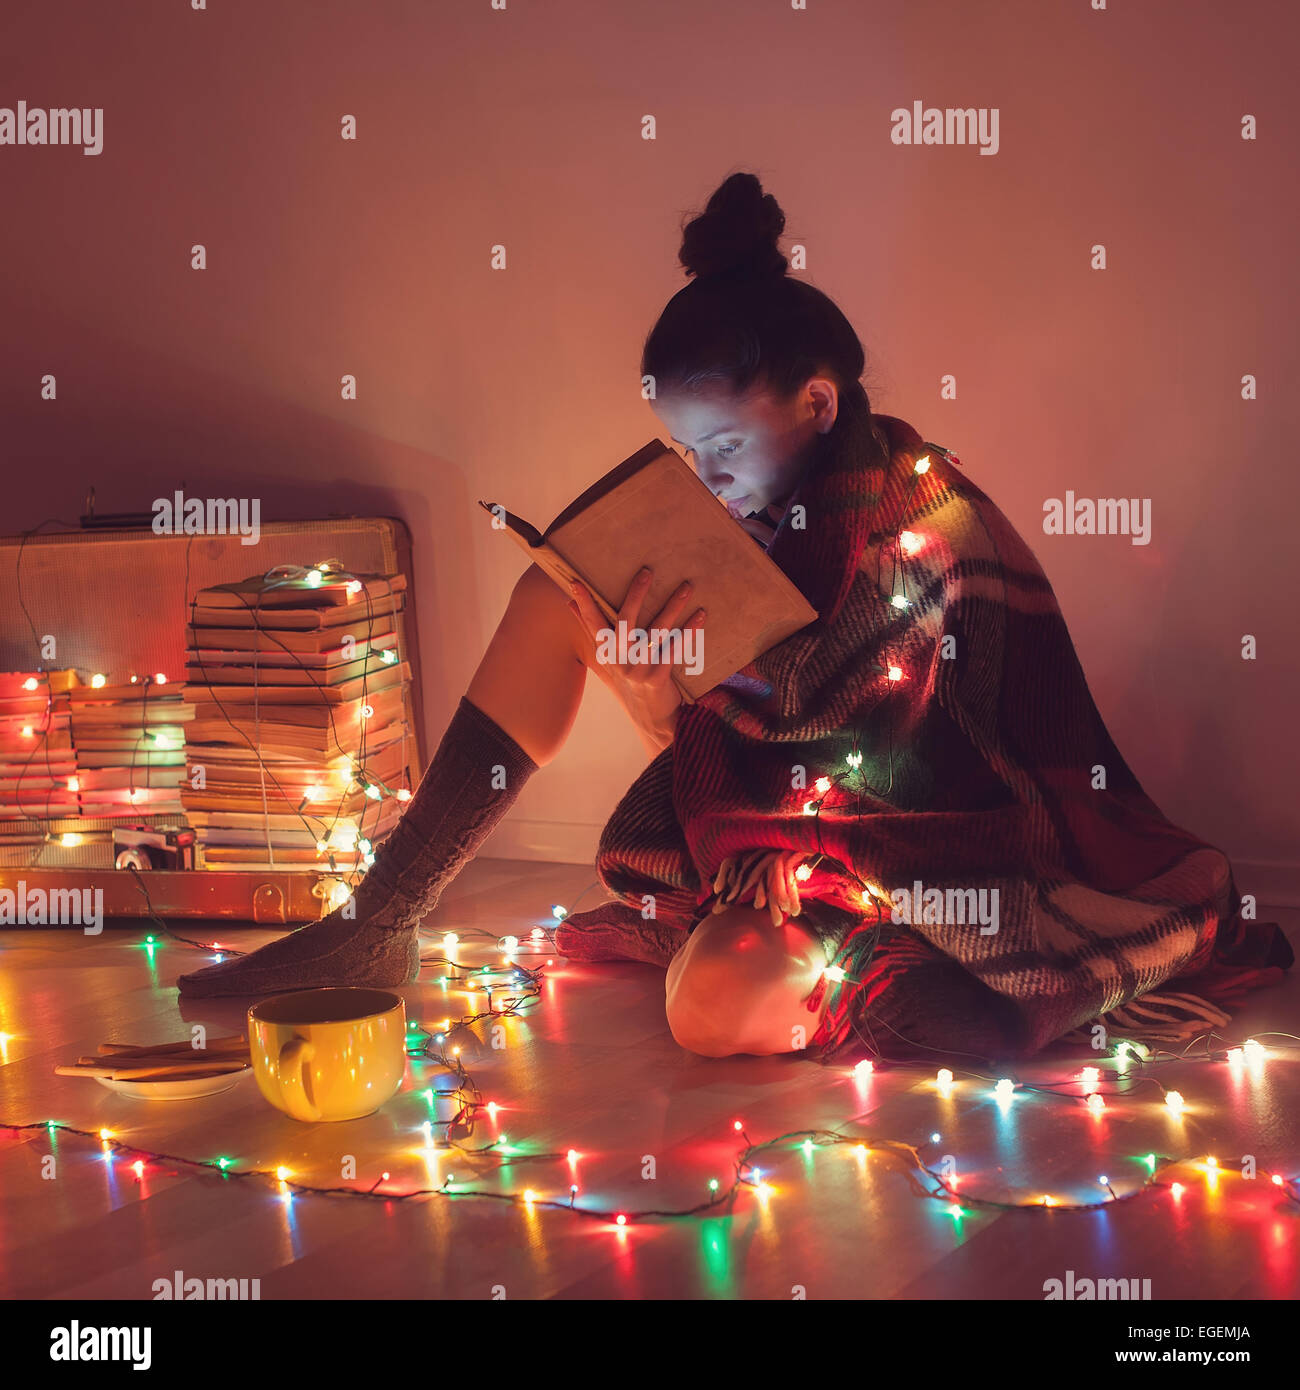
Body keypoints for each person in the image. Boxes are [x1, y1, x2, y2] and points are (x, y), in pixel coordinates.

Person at [180, 172, 1291, 1067]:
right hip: (780, 833)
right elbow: (761, 720)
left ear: (817, 402)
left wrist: (677, 720)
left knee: (724, 1009)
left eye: (722, 449)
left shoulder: (922, 522)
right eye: (685, 454)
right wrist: (675, 705)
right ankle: (384, 915)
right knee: (552, 597)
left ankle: (883, 982)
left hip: (925, 854)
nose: (707, 483)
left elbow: (905, 767)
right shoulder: (757, 520)